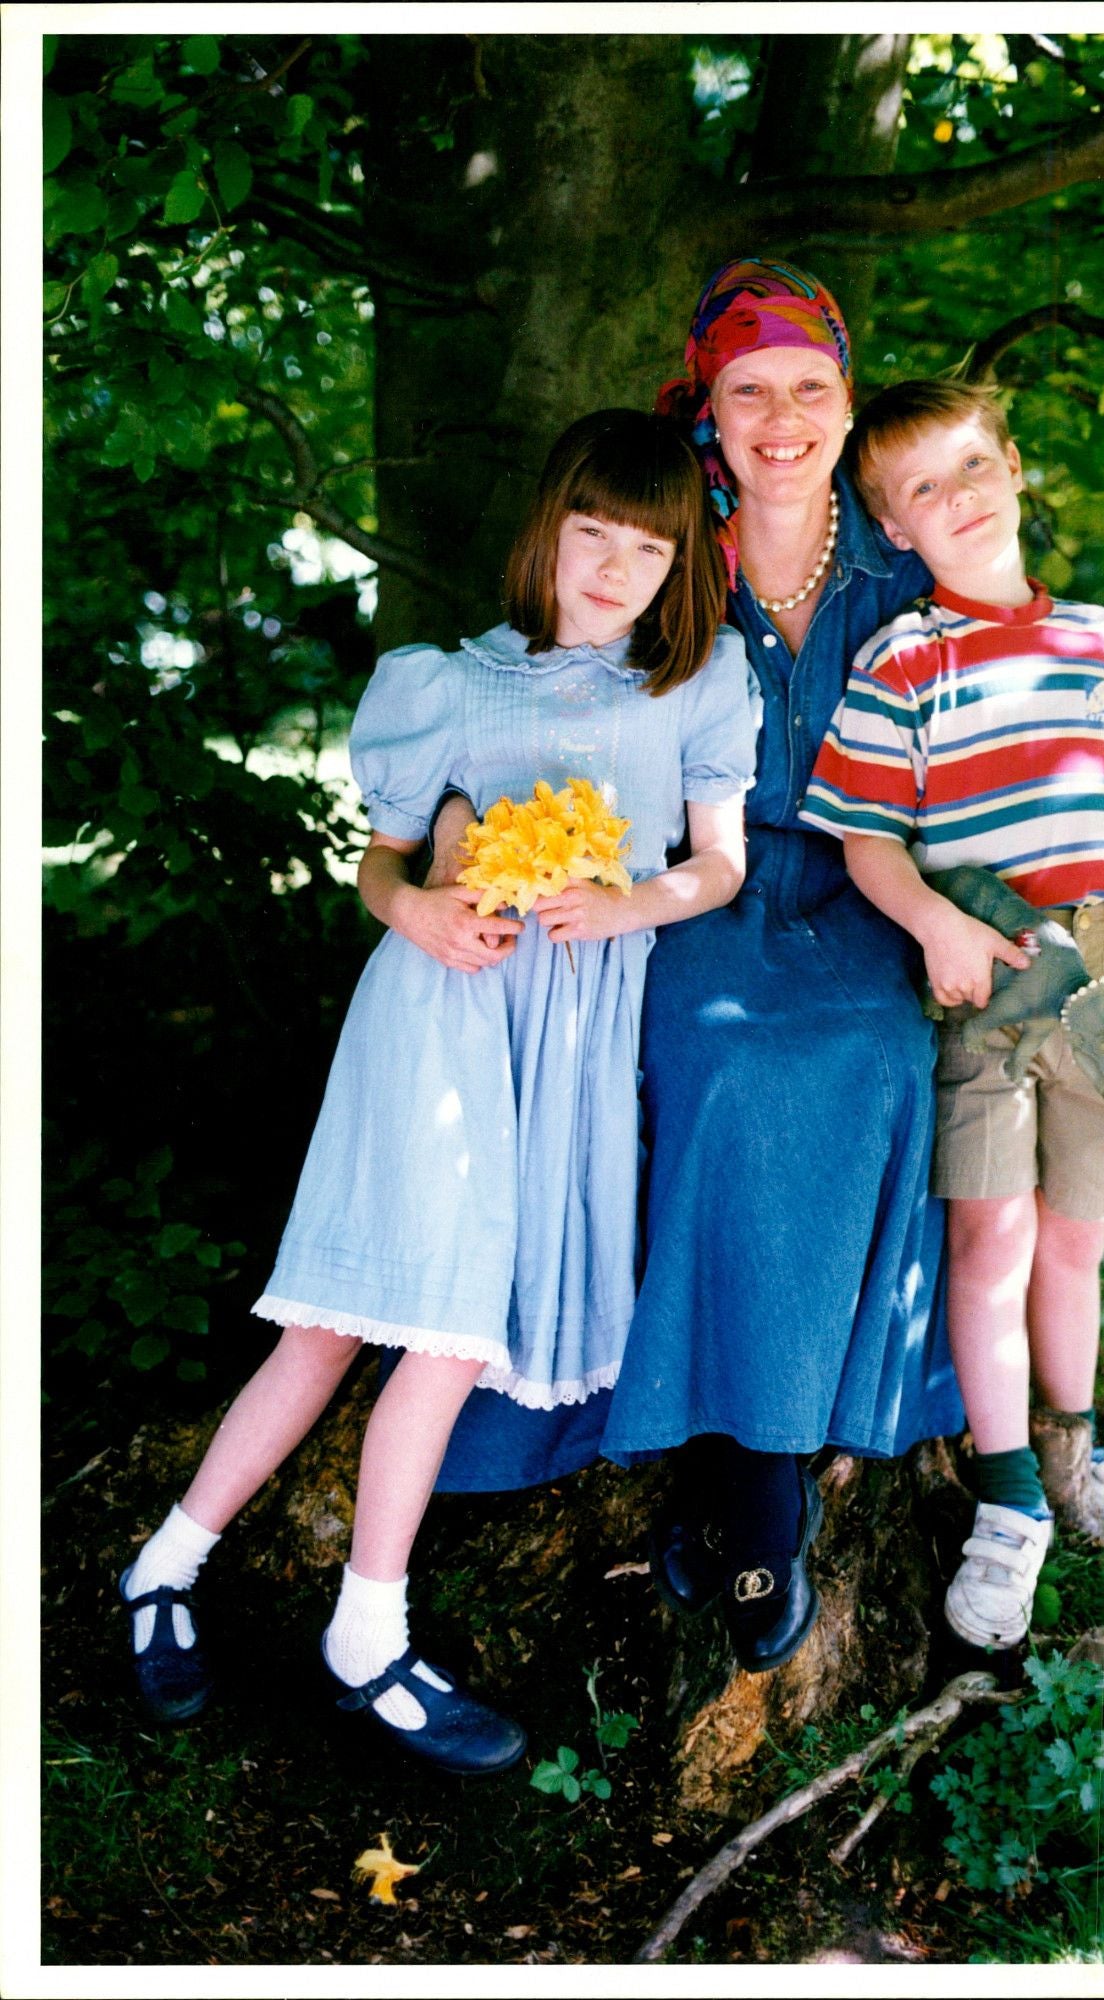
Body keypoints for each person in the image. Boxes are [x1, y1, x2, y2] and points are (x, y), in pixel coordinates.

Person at [117, 410, 758, 1766]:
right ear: (548, 529)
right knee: (351, 1324)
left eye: (648, 548)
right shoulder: (452, 684)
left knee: (430, 1331)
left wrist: (628, 900)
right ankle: (234, 1589)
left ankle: (272, 1595)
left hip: (569, 1035)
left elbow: (720, 865)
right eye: (592, 532)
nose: (614, 567)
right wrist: (412, 908)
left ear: (680, 565)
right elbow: (381, 860)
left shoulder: (696, 684)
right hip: (441, 1014)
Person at [801, 377, 1104, 1648]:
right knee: (991, 1234)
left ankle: (1077, 1461)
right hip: (982, 974)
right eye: (923, 489)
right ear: (894, 528)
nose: (959, 498)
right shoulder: (903, 659)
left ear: (1016, 467)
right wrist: (936, 925)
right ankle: (1008, 1499)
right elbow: (869, 837)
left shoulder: (1100, 638)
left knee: (1076, 1236)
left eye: (972, 466)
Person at [592, 257, 966, 1675]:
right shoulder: (668, 547)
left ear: (846, 401)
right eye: (749, 389)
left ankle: (747, 1466)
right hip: (701, 879)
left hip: (868, 886)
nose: (782, 417)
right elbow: (560, 674)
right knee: (713, 1053)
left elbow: (1035, 694)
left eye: (810, 387)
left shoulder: (902, 560)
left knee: (874, 1057)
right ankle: (758, 1488)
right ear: (710, 406)